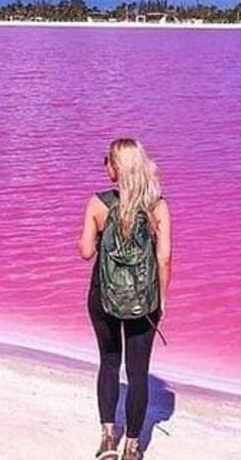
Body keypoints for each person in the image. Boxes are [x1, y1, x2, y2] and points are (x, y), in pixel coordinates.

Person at [78, 138, 172, 460]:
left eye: (107, 160)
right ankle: (133, 445)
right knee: (137, 372)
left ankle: (107, 438)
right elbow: (164, 258)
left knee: (108, 362)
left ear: (116, 168)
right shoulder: (157, 206)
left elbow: (86, 253)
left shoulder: (97, 203)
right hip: (144, 301)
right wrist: (163, 299)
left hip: (102, 296)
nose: (104, 165)